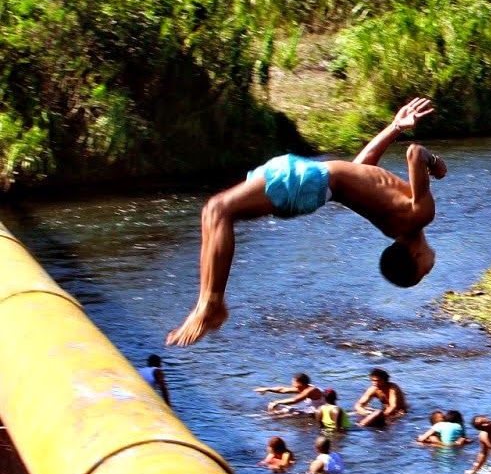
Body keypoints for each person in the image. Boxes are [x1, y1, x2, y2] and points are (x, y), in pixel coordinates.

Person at [166, 97, 446, 346]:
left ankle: (211, 303)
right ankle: (209, 302)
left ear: (414, 254)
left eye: (425, 272)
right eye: (425, 273)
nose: (430, 268)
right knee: (214, 213)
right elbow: (370, 165)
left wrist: (426, 156)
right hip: (309, 180)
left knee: (217, 211)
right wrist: (402, 132)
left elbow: (409, 155)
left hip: (309, 181)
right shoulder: (406, 220)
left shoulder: (410, 219)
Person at [256, 372, 323, 415]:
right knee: (286, 410)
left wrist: (277, 402)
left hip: (320, 411)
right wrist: (267, 389)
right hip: (311, 408)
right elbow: (283, 389)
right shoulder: (303, 388)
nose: (292, 383)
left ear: (300, 383)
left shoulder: (311, 390)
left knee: (293, 413)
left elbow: (294, 400)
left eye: (294, 381)